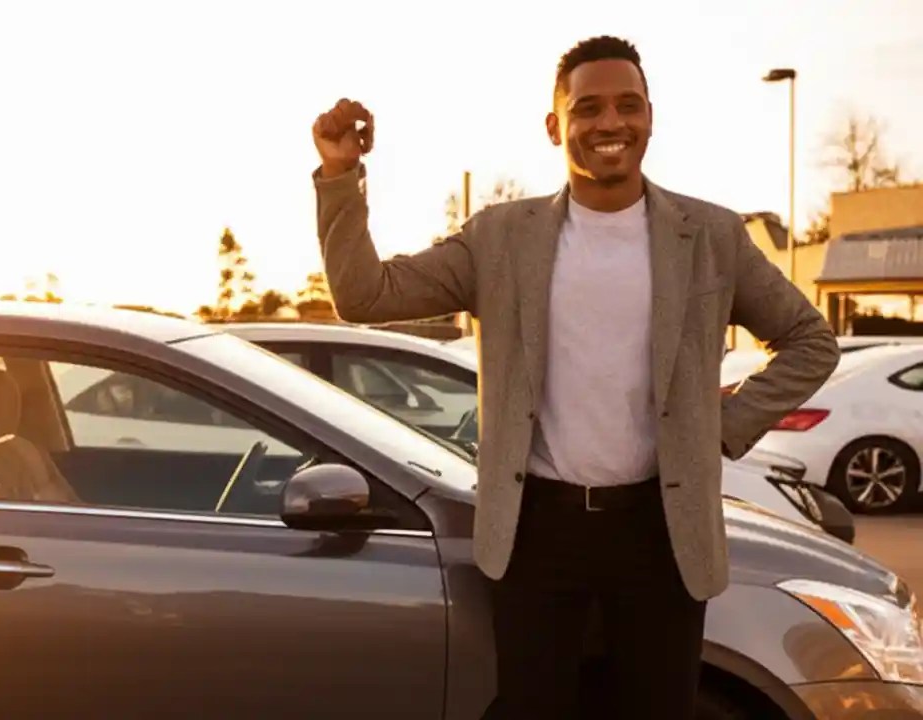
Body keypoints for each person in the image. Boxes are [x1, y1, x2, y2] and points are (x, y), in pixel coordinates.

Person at [309, 35, 838, 719]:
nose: (610, 124)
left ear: (650, 116)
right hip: (539, 533)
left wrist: (725, 423)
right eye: (588, 109)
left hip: (661, 529)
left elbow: (808, 341)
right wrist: (339, 173)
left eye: (628, 106)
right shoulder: (500, 238)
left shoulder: (711, 235)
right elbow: (365, 295)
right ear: (556, 125)